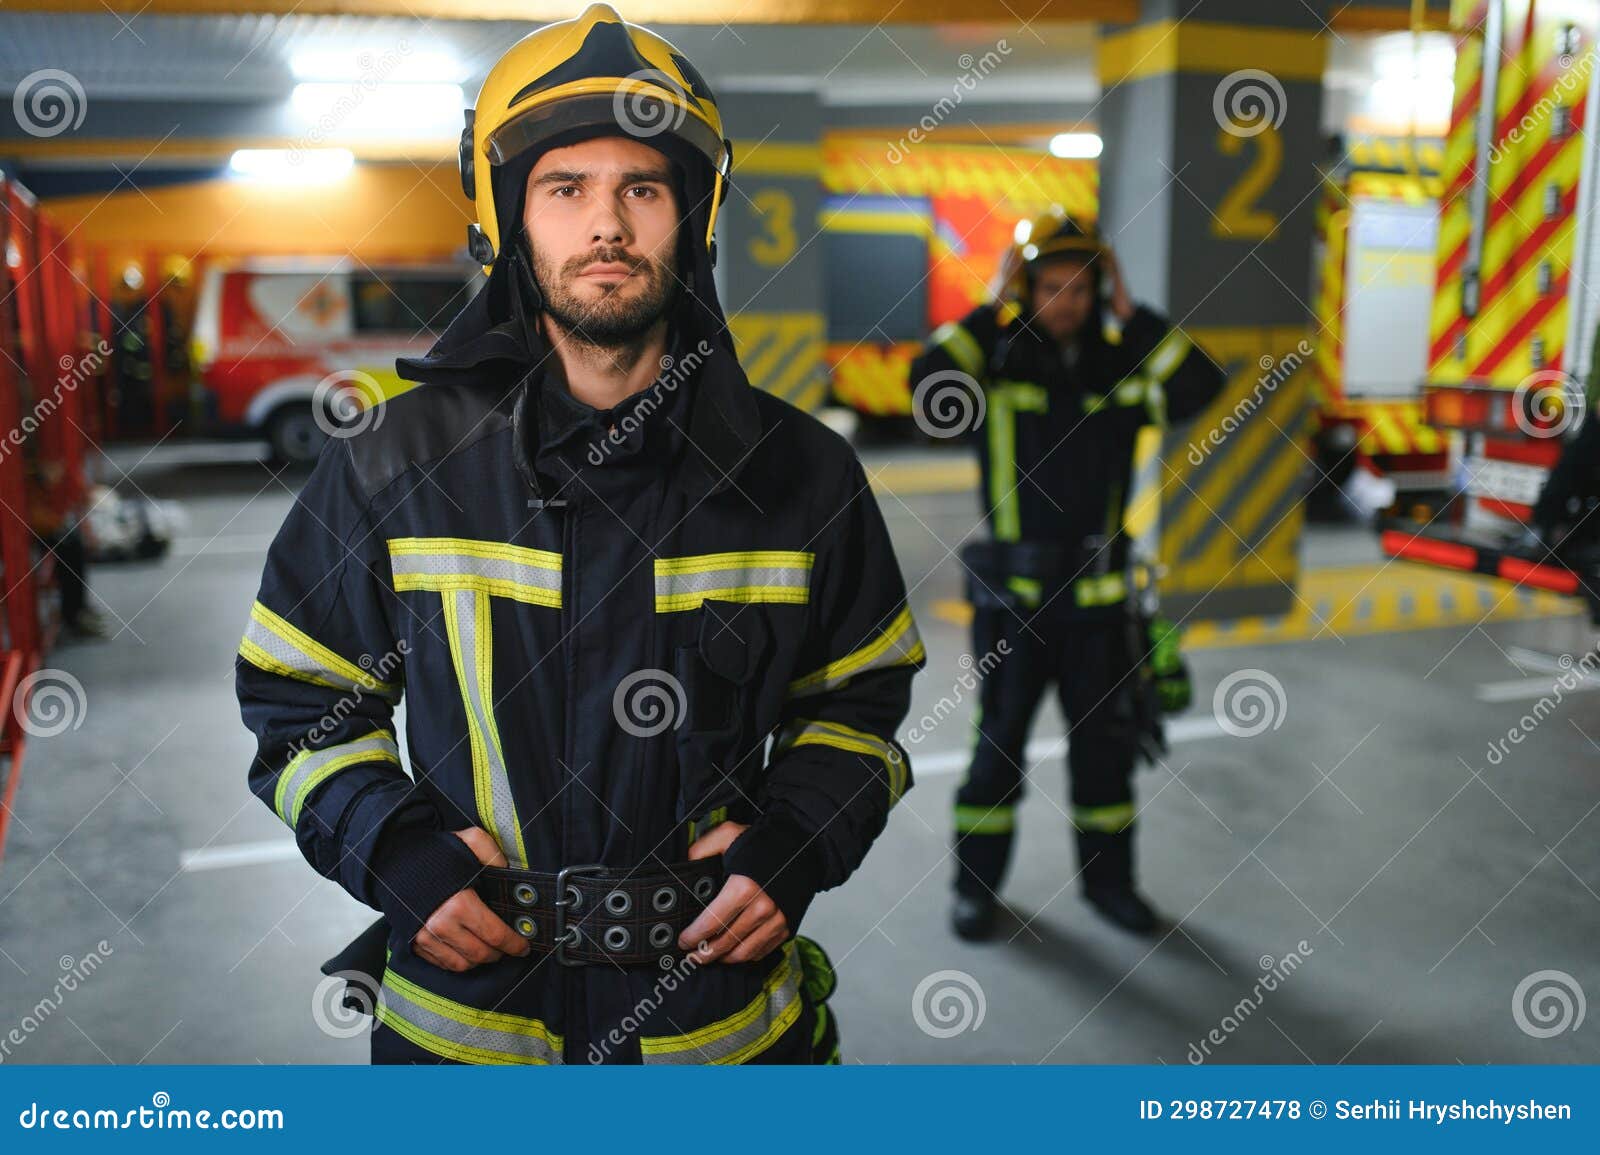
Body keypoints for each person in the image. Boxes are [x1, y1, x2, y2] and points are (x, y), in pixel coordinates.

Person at [236, 3, 925, 1065]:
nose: (606, 226)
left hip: (723, 1040)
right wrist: (396, 850)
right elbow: (297, 704)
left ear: (691, 216)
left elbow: (860, 708)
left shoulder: (803, 475)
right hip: (469, 1038)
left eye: (642, 188)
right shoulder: (393, 463)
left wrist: (794, 848)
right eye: (565, 189)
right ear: (509, 220)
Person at [908, 209, 1225, 941]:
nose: (1066, 303)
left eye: (1081, 289)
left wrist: (1131, 313)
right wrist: (992, 311)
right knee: (997, 754)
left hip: (1100, 608)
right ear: (1027, 288)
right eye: (1050, 287)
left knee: (1104, 759)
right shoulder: (995, 362)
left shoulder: (1120, 366)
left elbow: (1199, 383)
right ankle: (975, 890)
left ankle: (1110, 887)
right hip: (1014, 609)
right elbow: (928, 381)